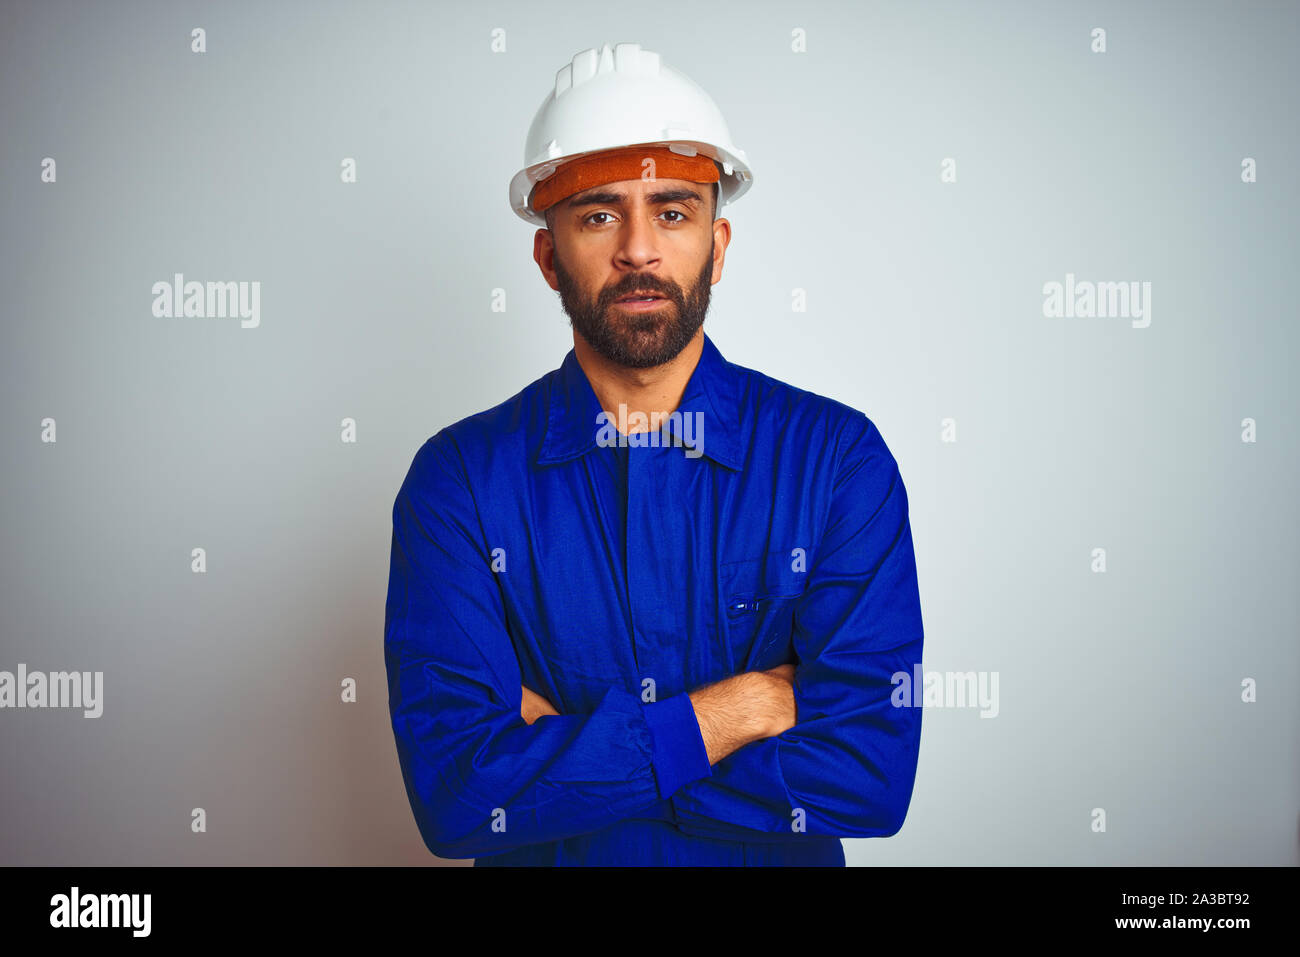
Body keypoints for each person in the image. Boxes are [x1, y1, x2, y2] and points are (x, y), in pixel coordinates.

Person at [383, 42, 925, 866]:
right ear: (547, 254)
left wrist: (569, 756)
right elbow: (459, 798)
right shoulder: (458, 482)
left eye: (673, 211)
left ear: (718, 242)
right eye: (599, 214)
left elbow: (866, 778)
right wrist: (735, 711)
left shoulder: (837, 461)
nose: (639, 248)